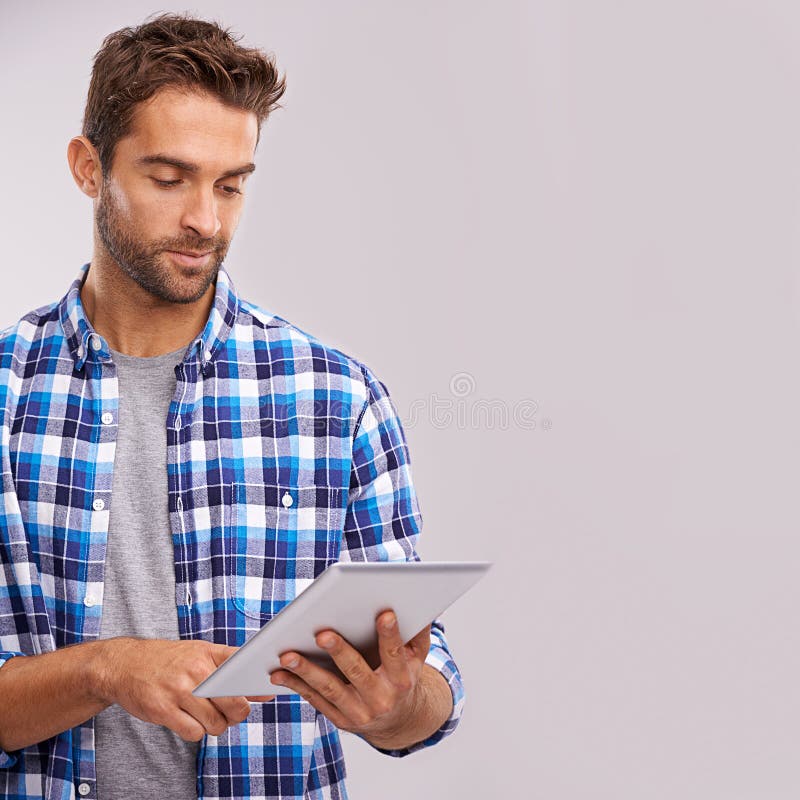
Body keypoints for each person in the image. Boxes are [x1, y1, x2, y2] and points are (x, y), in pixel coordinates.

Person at [0, 12, 464, 800]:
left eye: (231, 184)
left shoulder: (336, 399)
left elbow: (427, 686)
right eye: (168, 177)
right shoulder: (7, 394)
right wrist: (106, 668)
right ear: (89, 167)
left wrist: (397, 705)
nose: (205, 222)